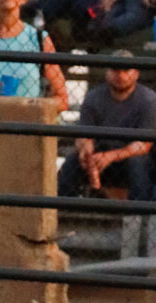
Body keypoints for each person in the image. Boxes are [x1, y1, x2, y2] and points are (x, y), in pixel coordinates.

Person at [57, 56, 156, 202]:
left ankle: (137, 216)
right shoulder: (93, 97)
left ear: (136, 73)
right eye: (115, 70)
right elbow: (83, 134)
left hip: (132, 158)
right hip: (99, 156)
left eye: (126, 70)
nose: (120, 75)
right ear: (106, 72)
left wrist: (110, 156)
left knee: (137, 163)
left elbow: (144, 145)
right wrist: (86, 151)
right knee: (72, 161)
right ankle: (64, 211)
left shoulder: (149, 100)